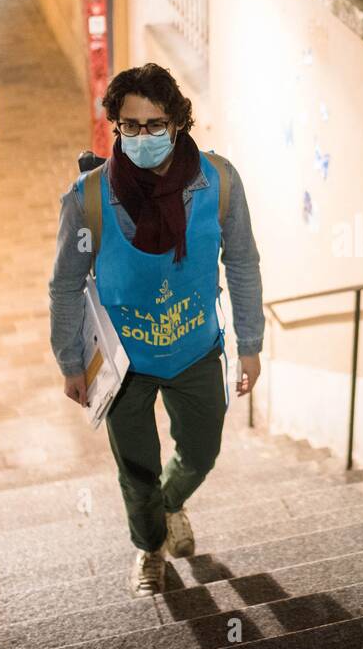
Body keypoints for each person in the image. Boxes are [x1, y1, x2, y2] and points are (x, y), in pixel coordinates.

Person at [48, 63, 264, 597]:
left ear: (179, 122)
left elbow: (241, 264)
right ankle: (149, 548)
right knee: (136, 472)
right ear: (115, 127)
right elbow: (65, 285)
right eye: (131, 125)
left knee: (202, 451)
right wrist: (71, 361)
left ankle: (170, 505)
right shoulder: (88, 198)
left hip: (196, 353)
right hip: (125, 368)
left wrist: (250, 344)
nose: (143, 136)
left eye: (156, 123)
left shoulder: (220, 184)